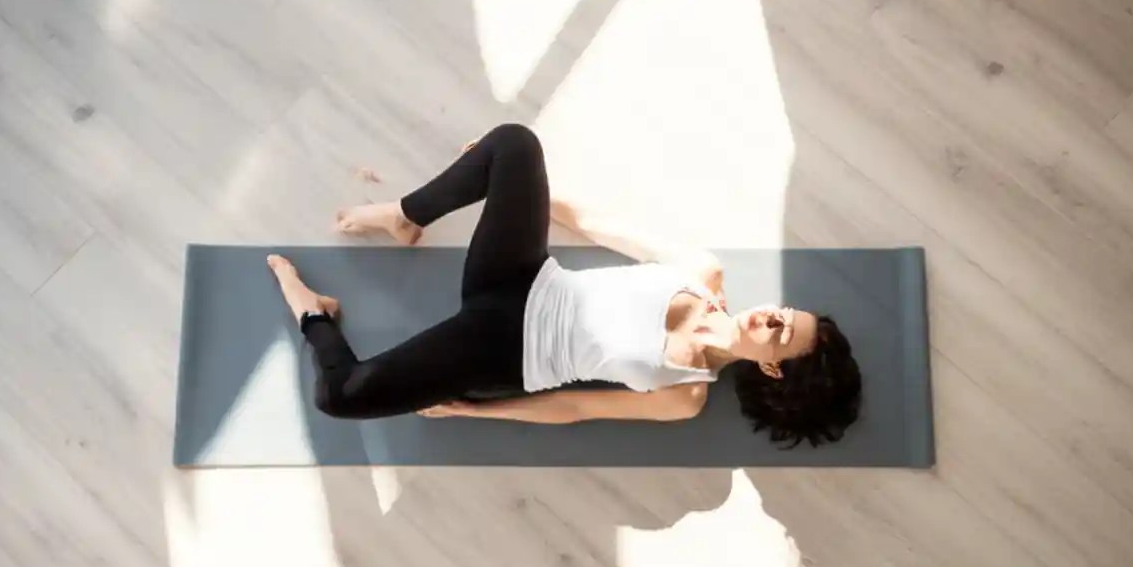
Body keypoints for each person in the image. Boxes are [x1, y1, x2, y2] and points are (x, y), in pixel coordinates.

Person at [268, 124, 861, 447]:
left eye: (781, 333)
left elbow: (574, 406)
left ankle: (313, 309)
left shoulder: (685, 395)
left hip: (505, 353)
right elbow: (598, 225)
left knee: (340, 397)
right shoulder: (701, 271)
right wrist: (503, 182)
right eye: (785, 310)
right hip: (523, 280)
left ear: (773, 369)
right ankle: (405, 214)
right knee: (515, 144)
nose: (771, 316)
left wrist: (476, 414)